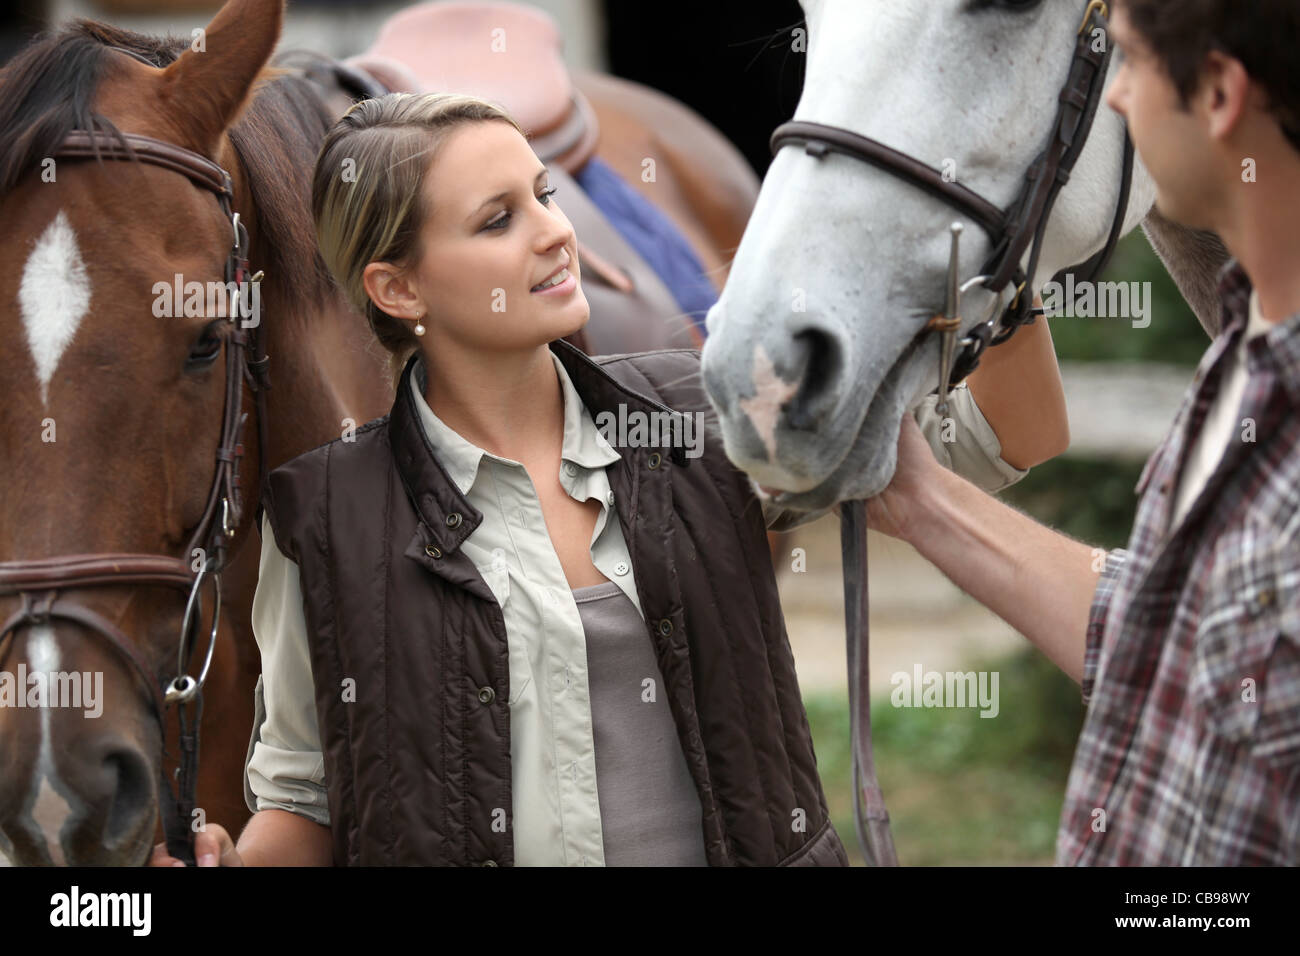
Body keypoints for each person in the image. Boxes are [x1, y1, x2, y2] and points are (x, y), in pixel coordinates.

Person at [150, 90, 1068, 867]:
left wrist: (999, 250)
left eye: (543, 195)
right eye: (498, 219)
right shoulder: (320, 516)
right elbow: (306, 794)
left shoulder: (700, 415)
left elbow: (1006, 438)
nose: (556, 233)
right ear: (399, 290)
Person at [862, 0, 1300, 865]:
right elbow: (1177, 643)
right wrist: (919, 497)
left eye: (1127, 63)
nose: (1112, 99)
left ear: (1217, 93)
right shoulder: (1248, 350)